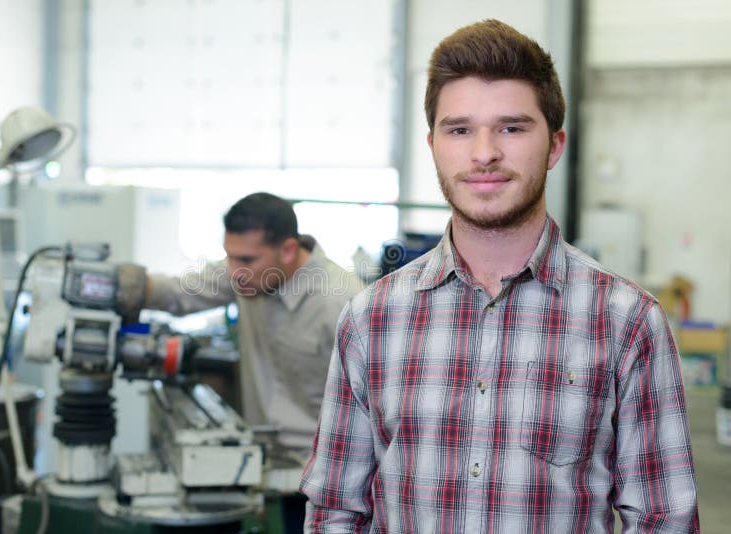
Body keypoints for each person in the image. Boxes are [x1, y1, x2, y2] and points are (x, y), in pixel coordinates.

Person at [300, 19, 699, 533]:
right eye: (460, 129)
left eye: (511, 127)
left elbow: (664, 518)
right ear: (433, 144)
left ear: (555, 146)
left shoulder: (626, 321)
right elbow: (336, 510)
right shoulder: (372, 318)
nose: (484, 152)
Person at [118, 192, 365, 456]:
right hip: (262, 457)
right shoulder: (248, 277)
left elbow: (377, 407)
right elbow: (181, 292)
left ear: (288, 250)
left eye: (246, 260)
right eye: (230, 257)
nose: (234, 271)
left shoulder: (344, 305)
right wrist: (126, 287)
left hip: (323, 474)